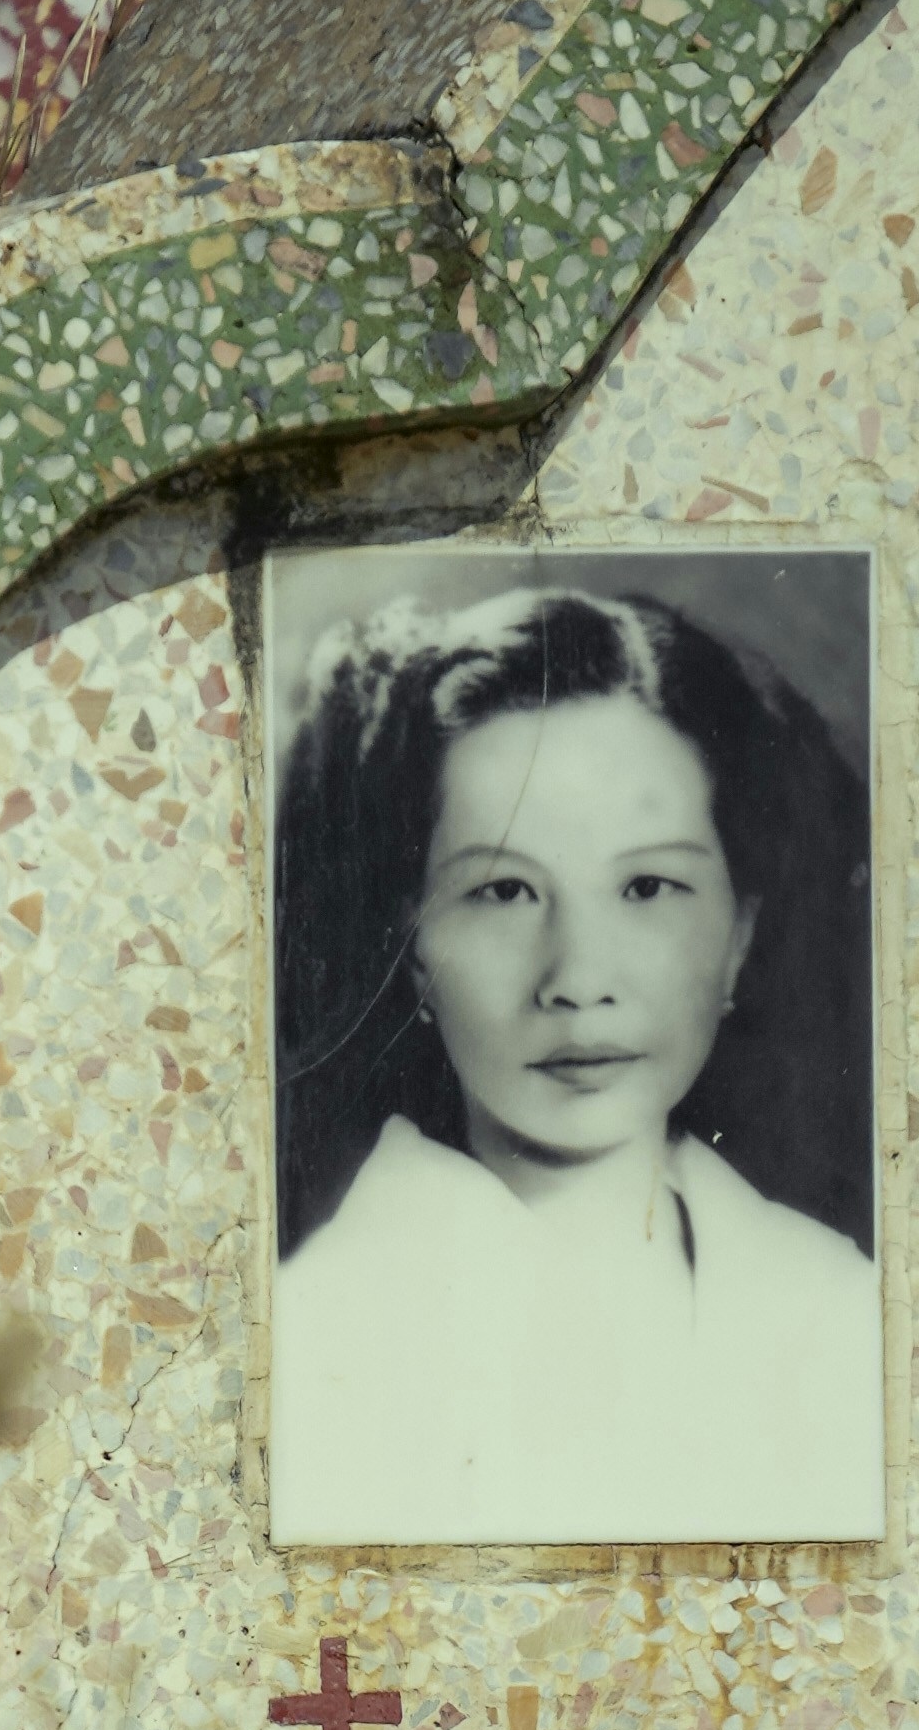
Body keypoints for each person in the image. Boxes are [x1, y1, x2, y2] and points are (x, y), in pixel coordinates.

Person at [268, 579, 883, 1545]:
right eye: (504, 891)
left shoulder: (840, 1308)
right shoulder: (316, 1335)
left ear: (738, 937)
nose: (579, 980)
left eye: (649, 886)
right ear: (413, 947)